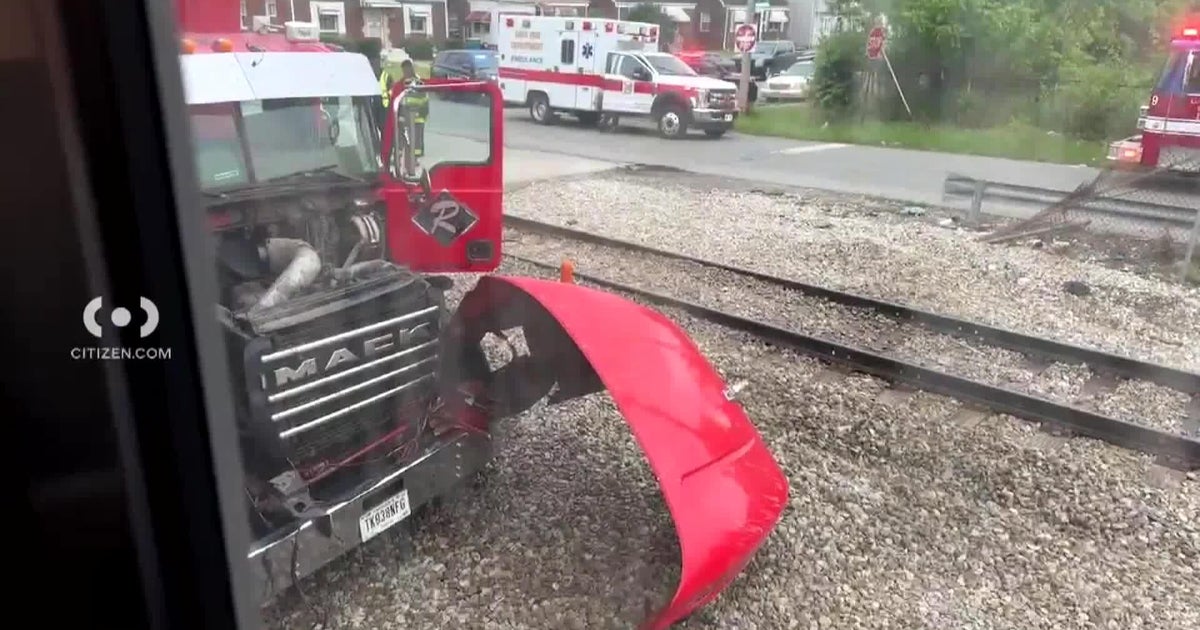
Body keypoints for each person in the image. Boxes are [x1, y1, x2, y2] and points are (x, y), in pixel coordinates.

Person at [398, 59, 429, 157]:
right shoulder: (401, 83)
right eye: (404, 70)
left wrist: (422, 115)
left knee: (417, 141)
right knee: (403, 138)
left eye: (407, 69)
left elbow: (425, 100)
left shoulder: (419, 83)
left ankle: (416, 159)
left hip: (417, 117)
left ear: (411, 69)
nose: (405, 72)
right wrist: (400, 115)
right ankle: (405, 156)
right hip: (405, 116)